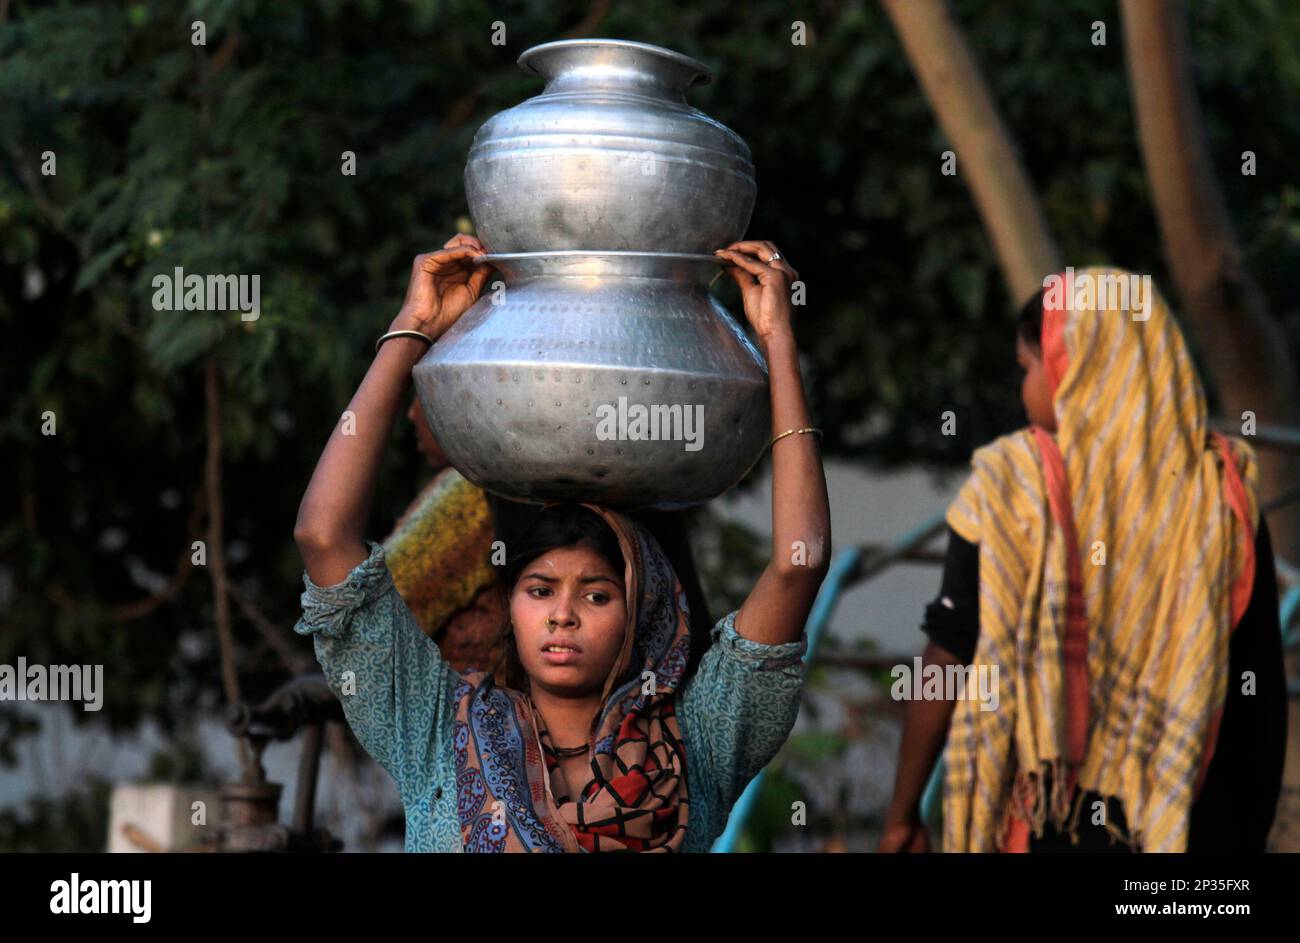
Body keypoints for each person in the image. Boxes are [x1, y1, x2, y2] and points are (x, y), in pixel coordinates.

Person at [292, 233, 831, 851]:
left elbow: (798, 563)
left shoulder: (699, 744)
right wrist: (411, 328)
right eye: (540, 590)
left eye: (598, 596)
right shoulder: (439, 730)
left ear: (641, 616)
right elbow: (323, 535)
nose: (562, 615)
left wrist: (777, 344)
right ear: (511, 606)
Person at [881, 267, 1286, 853]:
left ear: (1076, 365)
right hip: (1189, 820)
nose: (1024, 393)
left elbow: (950, 652)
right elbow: (1259, 693)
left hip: (1054, 821)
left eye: (1028, 369)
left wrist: (902, 813)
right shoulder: (1219, 490)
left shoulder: (1014, 487)